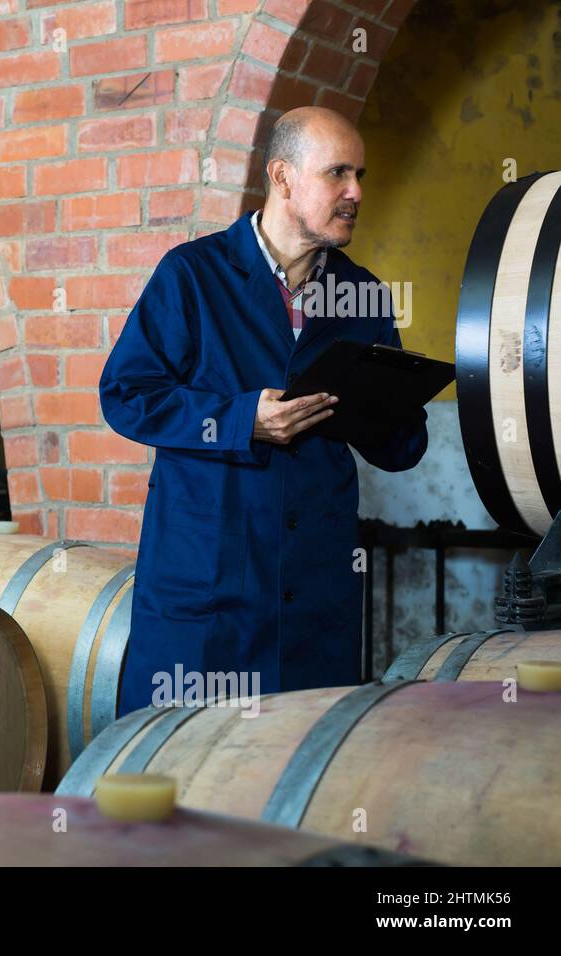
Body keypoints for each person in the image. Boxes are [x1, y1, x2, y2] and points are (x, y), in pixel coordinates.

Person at [99, 106, 428, 713]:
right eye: (337, 173)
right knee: (183, 772)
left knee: (299, 779)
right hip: (207, 590)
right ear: (282, 177)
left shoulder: (364, 296)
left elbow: (402, 448)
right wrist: (242, 419)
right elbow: (126, 395)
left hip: (315, 597)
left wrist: (382, 401)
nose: (355, 192)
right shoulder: (193, 275)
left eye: (360, 174)